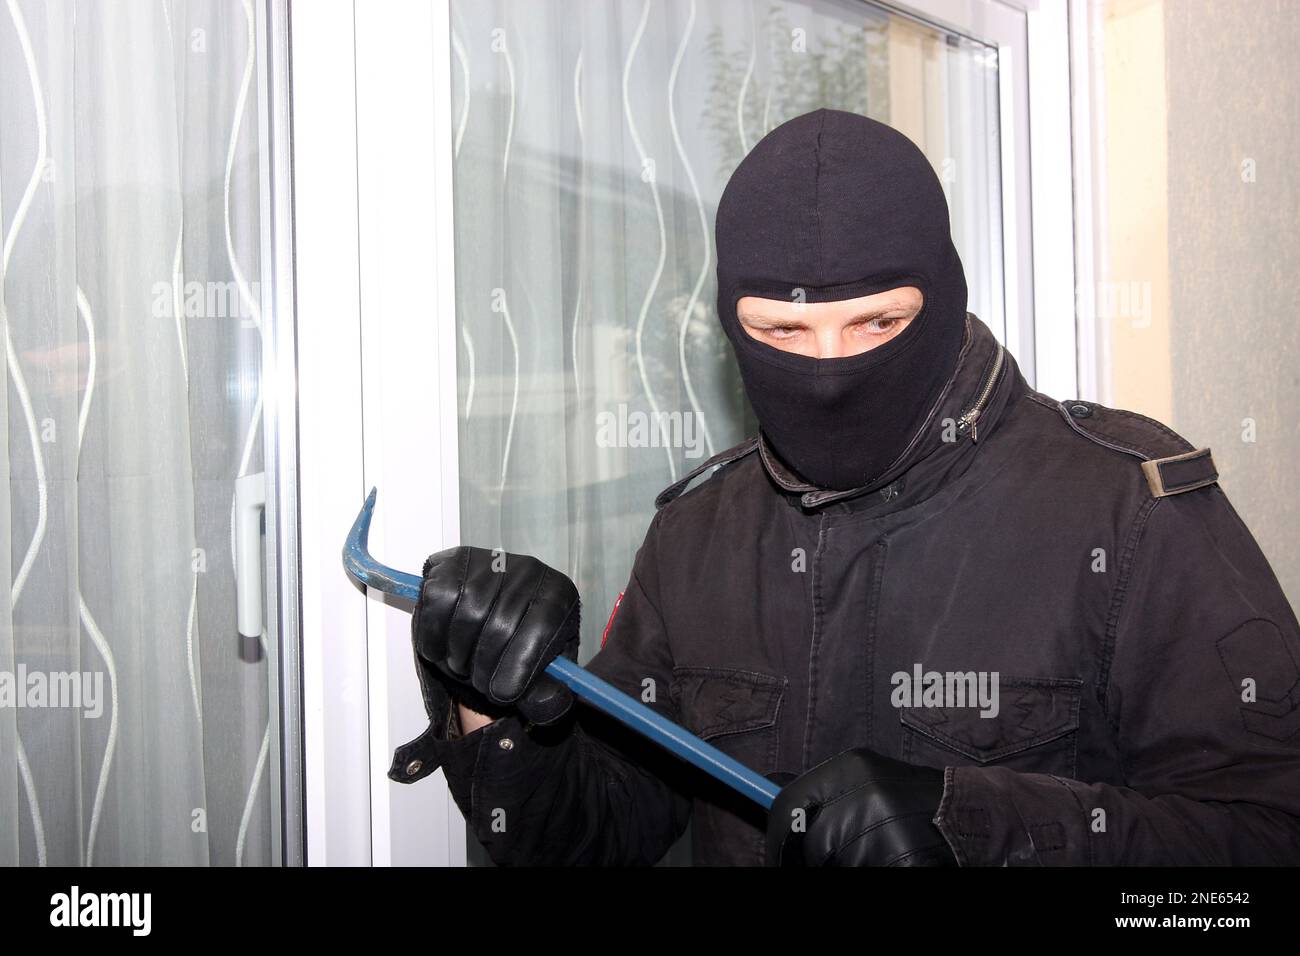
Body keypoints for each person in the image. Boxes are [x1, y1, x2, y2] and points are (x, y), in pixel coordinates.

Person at [390, 108, 1300, 866]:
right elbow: (594, 836)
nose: (829, 371)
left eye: (876, 323)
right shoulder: (697, 535)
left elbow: (1261, 846)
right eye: (783, 333)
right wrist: (496, 698)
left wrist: (981, 830)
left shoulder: (1127, 509)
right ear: (731, 329)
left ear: (943, 298)